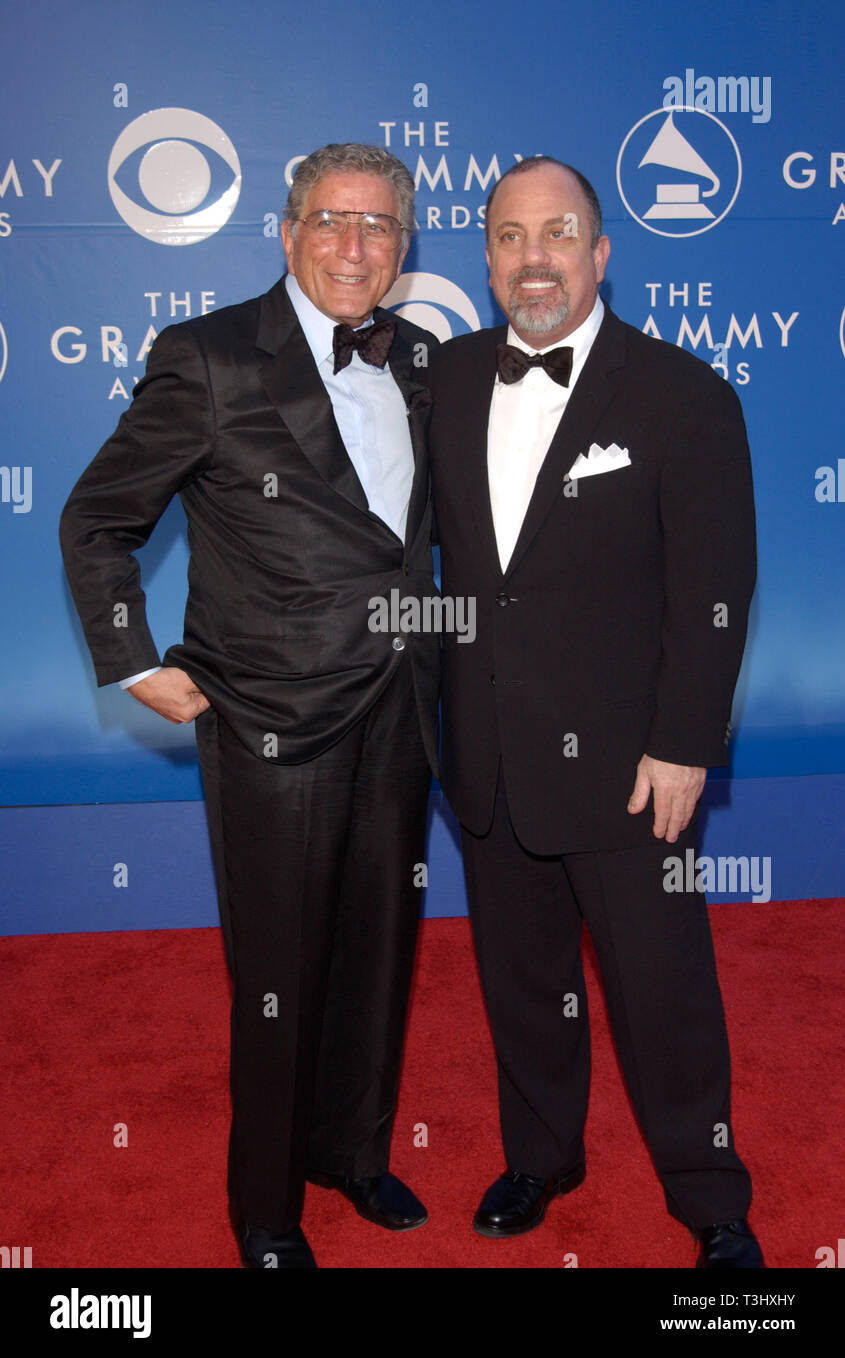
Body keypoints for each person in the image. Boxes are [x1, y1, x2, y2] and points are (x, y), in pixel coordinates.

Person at [60, 142, 439, 1270]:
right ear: (286, 233)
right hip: (271, 711)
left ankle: (351, 1154)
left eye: (378, 226)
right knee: (278, 968)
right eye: (331, 221)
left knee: (379, 947)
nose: (353, 246)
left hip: (403, 704)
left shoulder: (423, 358)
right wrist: (135, 662)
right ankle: (267, 1207)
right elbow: (97, 519)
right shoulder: (209, 357)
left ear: (404, 247)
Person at [425, 156, 763, 1268]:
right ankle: (541, 1156)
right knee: (521, 980)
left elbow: (714, 588)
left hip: (629, 763)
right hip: (488, 752)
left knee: (661, 988)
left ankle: (709, 1192)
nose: (534, 260)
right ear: (484, 258)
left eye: (557, 234)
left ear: (600, 251)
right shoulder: (448, 379)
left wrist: (682, 743)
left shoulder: (682, 394)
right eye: (511, 237)